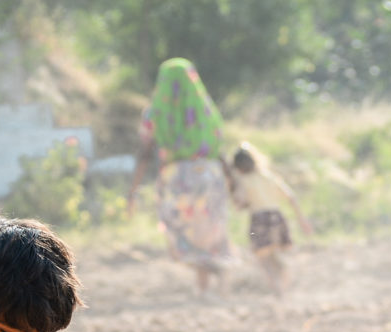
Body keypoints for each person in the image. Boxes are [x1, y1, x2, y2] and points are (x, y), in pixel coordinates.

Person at [127, 57, 234, 292]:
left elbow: (144, 154)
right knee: (212, 226)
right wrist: (231, 180)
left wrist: (132, 191)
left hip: (178, 179)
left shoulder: (155, 112)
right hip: (210, 175)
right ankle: (220, 279)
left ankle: (204, 283)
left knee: (185, 229)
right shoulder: (205, 108)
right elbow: (219, 147)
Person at [229, 141, 312, 294]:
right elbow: (291, 197)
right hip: (277, 217)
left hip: (259, 219)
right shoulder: (268, 176)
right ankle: (284, 288)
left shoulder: (243, 180)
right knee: (277, 255)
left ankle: (276, 289)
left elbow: (240, 201)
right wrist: (302, 220)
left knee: (263, 258)